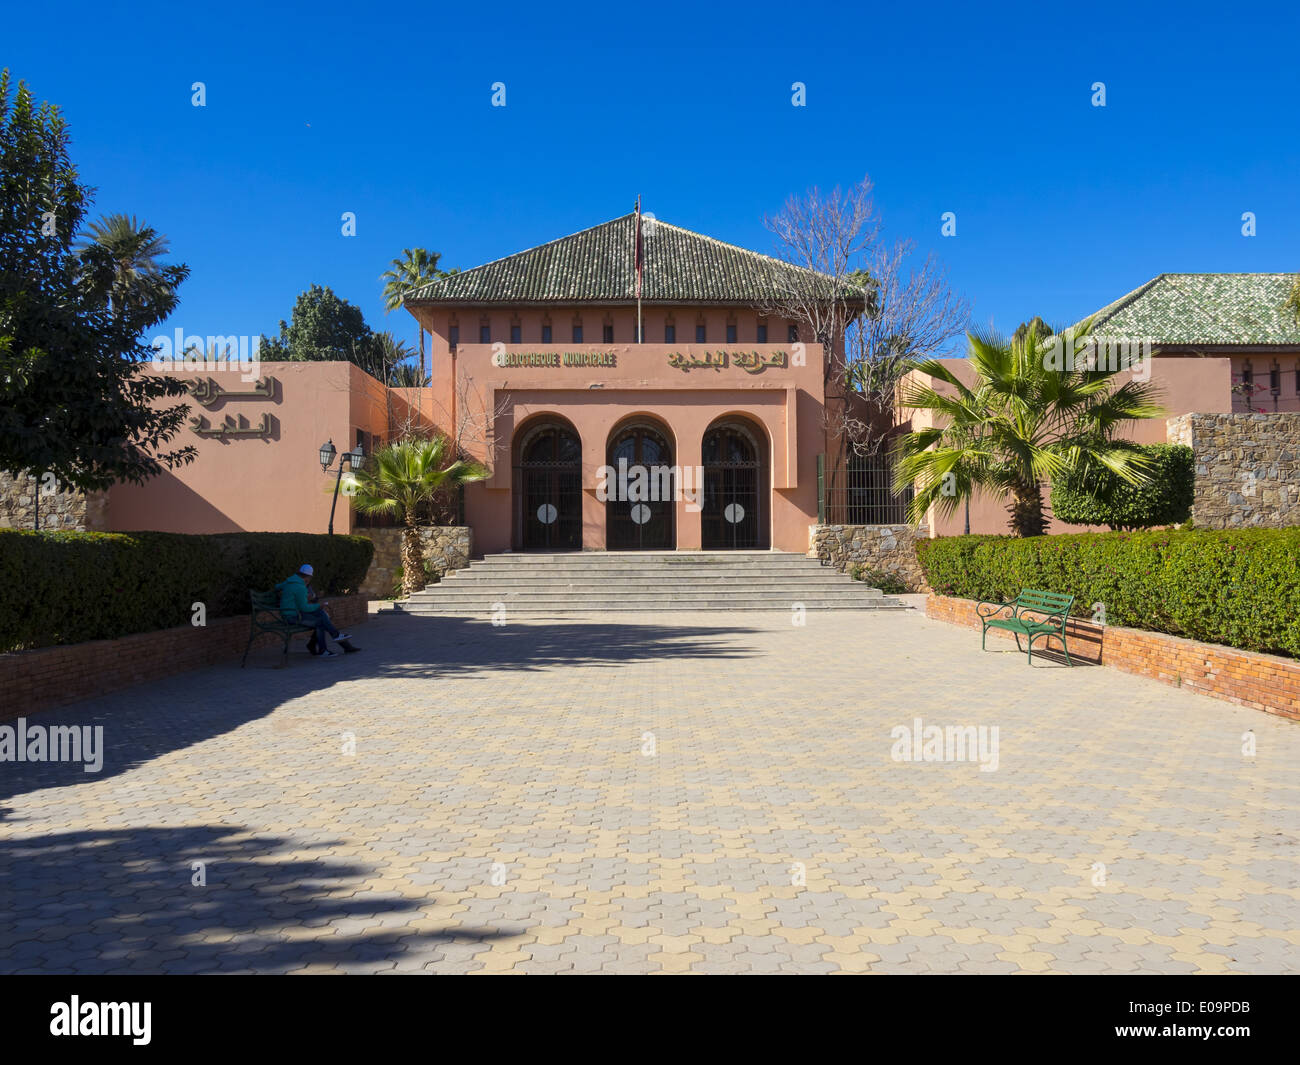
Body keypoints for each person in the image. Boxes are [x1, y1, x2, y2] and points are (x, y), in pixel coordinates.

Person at [275, 564, 360, 656]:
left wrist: (288, 597)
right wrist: (318, 605)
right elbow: (304, 607)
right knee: (321, 621)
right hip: (293, 617)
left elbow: (277, 587)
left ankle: (333, 640)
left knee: (321, 614)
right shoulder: (300, 587)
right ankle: (327, 647)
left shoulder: (290, 581)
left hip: (293, 613)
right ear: (308, 577)